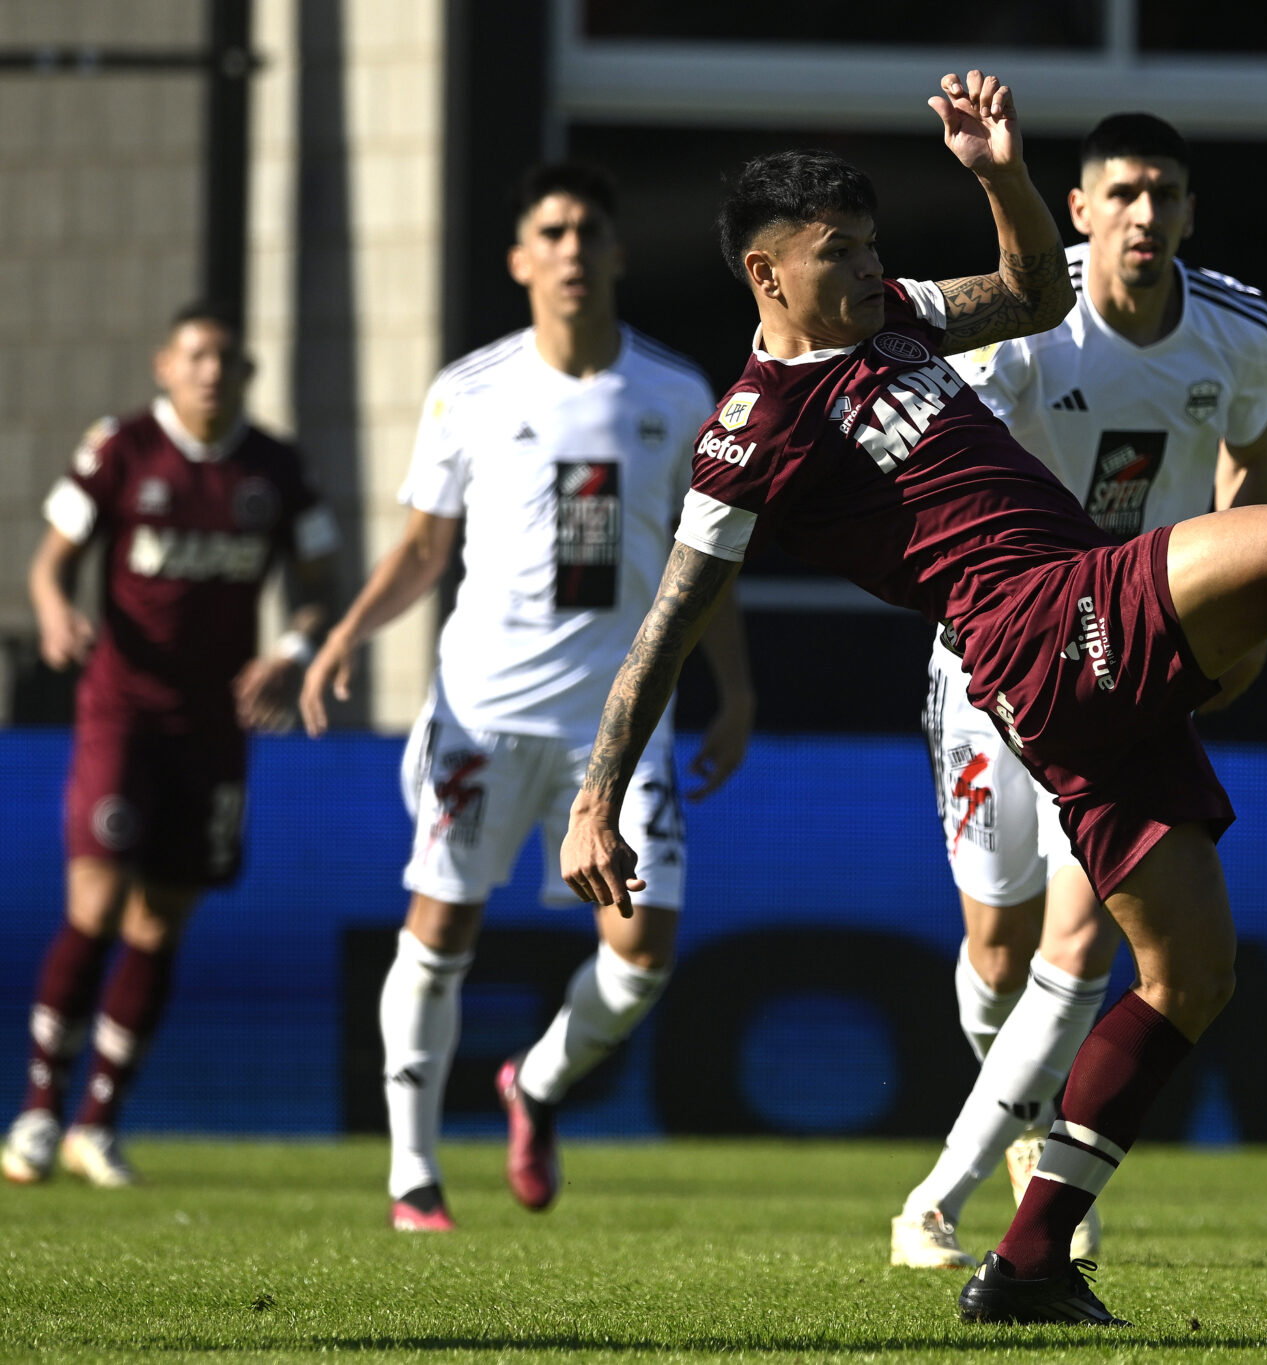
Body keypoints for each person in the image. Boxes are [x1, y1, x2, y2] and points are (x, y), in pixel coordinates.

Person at [559, 70, 1267, 1326]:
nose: (872, 269)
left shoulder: (889, 319)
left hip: (1058, 653)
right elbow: (668, 619)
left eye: (876, 245)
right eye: (841, 254)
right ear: (767, 276)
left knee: (1189, 976)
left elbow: (1036, 293)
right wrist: (595, 798)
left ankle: (1031, 1262)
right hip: (1035, 623)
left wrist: (998, 175)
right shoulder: (746, 433)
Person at [300, 163, 754, 1232]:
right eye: (548, 231)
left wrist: (733, 690)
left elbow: (711, 559)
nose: (569, 248)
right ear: (518, 259)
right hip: (486, 712)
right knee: (441, 924)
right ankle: (413, 1175)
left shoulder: (678, 393)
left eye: (587, 230)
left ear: (615, 254)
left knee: (642, 951)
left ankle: (534, 1085)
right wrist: (345, 638)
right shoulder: (470, 390)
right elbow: (422, 546)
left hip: (622, 725)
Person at [892, 111, 1267, 1271]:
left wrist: (1240, 626)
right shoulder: (1022, 326)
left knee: (1084, 941)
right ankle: (1025, 1134)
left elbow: (1248, 473)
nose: (1144, 215)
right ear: (1079, 211)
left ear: (1189, 212)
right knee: (998, 951)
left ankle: (937, 1200)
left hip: (1117, 656)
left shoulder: (1237, 328)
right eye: (1121, 193)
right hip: (987, 650)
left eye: (1164, 193)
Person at [3, 304, 337, 1188]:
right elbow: (51, 561)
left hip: (216, 726)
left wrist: (294, 650)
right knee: (97, 898)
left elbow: (319, 585)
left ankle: (97, 1122)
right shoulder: (122, 448)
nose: (211, 372)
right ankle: (37, 1112)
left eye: (226, 358)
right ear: (165, 365)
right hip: (122, 711)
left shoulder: (274, 470)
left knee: (162, 919)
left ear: (246, 372)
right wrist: (52, 608)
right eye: (195, 356)